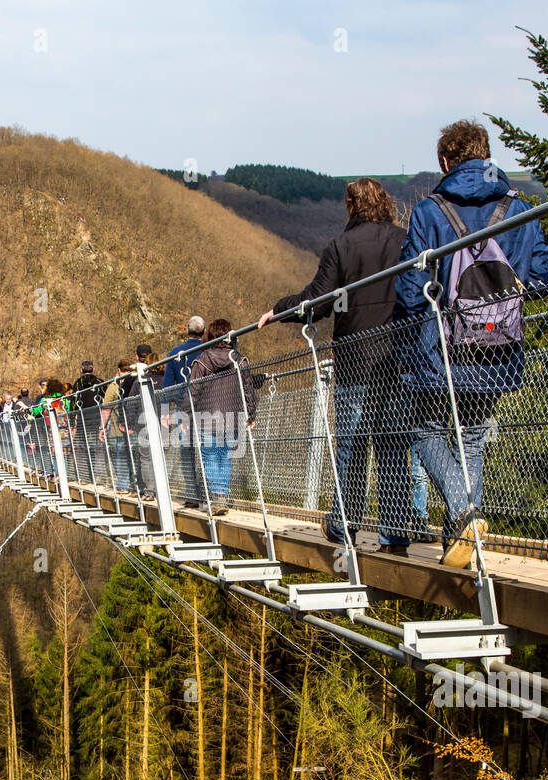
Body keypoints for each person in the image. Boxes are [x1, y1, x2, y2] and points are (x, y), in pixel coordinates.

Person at [394, 119, 548, 569]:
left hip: (439, 345)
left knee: (423, 430)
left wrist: (407, 343)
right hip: (497, 343)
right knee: (474, 440)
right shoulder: (519, 207)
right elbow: (541, 279)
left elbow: (410, 288)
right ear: (486, 156)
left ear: (445, 161)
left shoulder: (428, 212)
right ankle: (463, 541)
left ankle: (464, 515)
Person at [260, 178, 428, 555]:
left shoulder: (341, 246)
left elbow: (316, 301)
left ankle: (343, 524)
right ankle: (396, 530)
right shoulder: (406, 239)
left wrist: (278, 310)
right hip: (399, 358)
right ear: (383, 202)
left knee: (352, 445)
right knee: (392, 444)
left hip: (355, 359)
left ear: (351, 206)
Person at [183, 319, 257, 514]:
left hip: (206, 417)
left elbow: (193, 390)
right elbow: (248, 389)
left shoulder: (202, 360)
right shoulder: (239, 360)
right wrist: (250, 414)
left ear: (210, 336)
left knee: (209, 457)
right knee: (225, 456)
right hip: (232, 417)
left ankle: (216, 497)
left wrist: (186, 416)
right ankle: (221, 496)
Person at [163, 317, 207, 507]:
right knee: (208, 449)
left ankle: (192, 492)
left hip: (184, 408)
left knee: (187, 451)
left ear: (186, 330)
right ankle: (209, 492)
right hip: (208, 405)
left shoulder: (175, 353)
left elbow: (167, 386)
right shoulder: (209, 349)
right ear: (204, 332)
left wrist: (165, 411)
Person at [123, 344, 159, 501]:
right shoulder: (166, 379)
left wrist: (129, 423)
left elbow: (130, 402)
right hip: (162, 423)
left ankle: (148, 490)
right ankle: (159, 489)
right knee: (159, 457)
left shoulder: (136, 379)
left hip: (142, 423)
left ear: (137, 357)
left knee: (145, 458)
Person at [70, 359, 106, 480]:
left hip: (82, 419)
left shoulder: (78, 384)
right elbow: (106, 398)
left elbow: (73, 404)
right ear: (93, 369)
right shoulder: (100, 382)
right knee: (98, 447)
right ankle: (99, 476)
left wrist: (71, 422)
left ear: (81, 370)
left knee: (82, 447)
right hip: (98, 418)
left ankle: (85, 476)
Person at [101, 360, 133, 492]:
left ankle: (123, 486)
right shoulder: (136, 380)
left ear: (119, 370)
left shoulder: (114, 386)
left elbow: (106, 408)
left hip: (117, 427)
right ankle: (134, 485)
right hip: (135, 425)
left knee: (121, 456)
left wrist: (101, 427)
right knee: (134, 456)